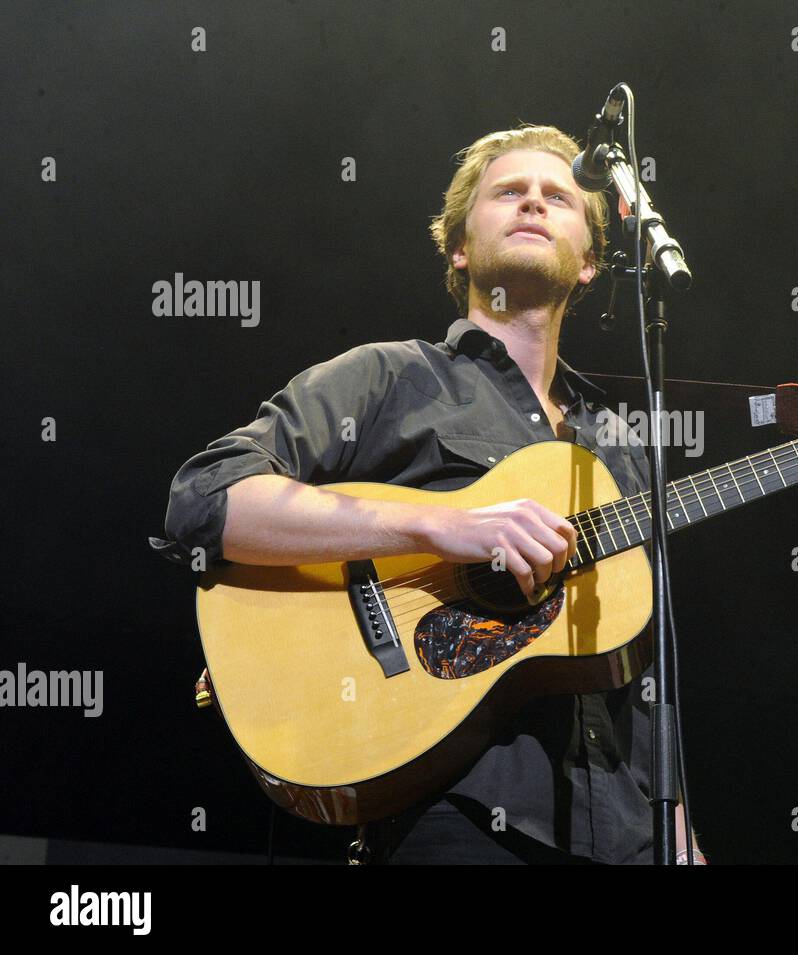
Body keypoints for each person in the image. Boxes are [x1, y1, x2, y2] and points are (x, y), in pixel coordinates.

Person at [152, 124, 704, 865]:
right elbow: (206, 497)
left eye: (558, 197)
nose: (534, 204)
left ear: (591, 265)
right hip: (455, 815)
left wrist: (679, 840)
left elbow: (641, 678)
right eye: (509, 191)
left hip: (624, 834)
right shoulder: (393, 378)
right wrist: (442, 525)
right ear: (458, 247)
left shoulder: (620, 445)